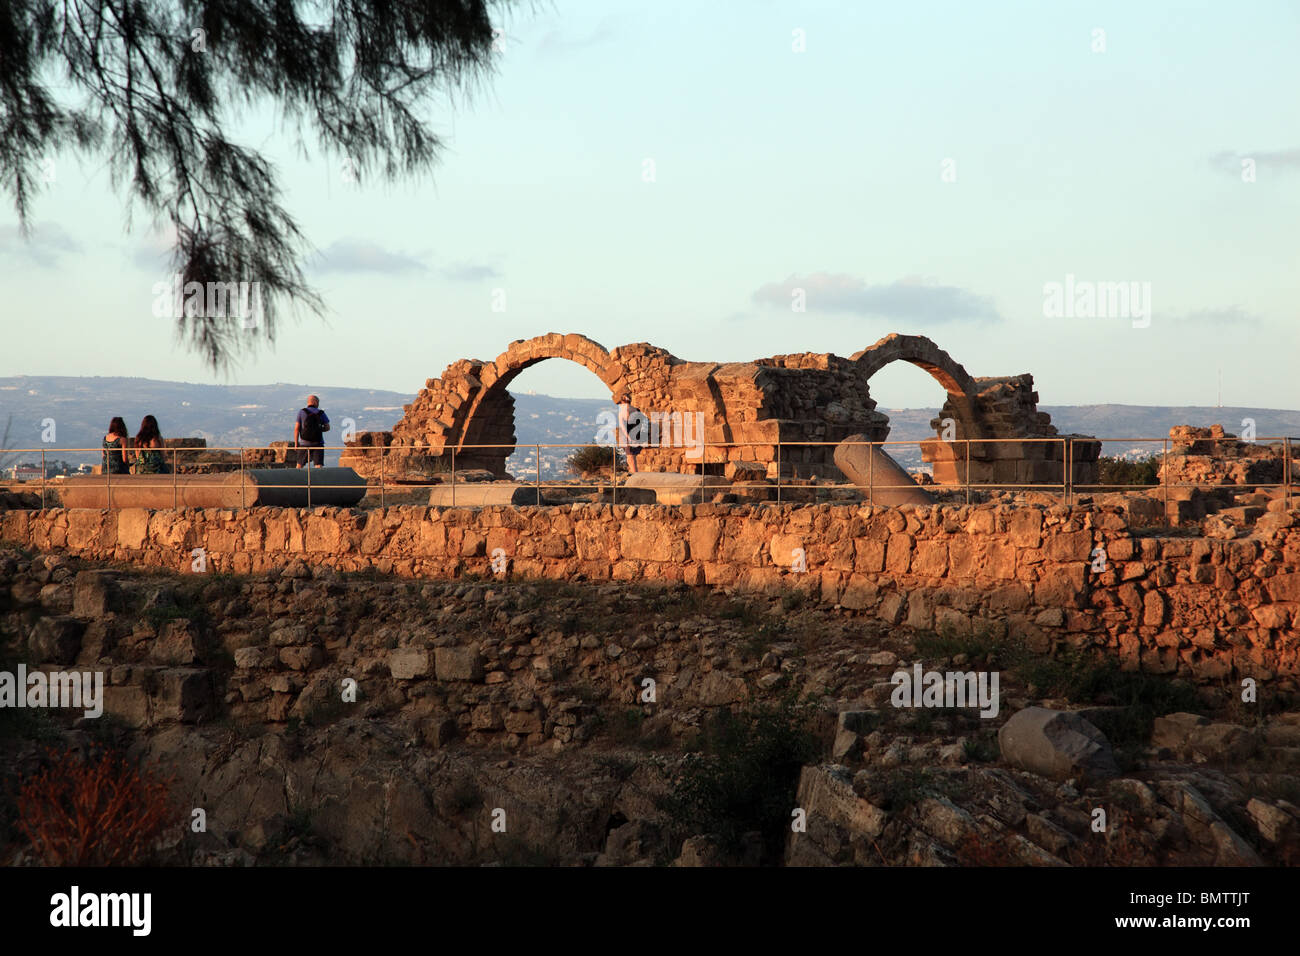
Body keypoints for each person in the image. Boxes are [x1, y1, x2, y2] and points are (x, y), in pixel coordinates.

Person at [294, 395, 330, 468]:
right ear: (315, 402)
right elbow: (327, 427)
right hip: (318, 443)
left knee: (299, 465)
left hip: (304, 443)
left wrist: (296, 443)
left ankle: (297, 479)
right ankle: (318, 479)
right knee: (318, 466)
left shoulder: (301, 412)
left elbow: (296, 429)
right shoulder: (321, 413)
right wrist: (318, 429)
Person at [616, 392, 643, 474]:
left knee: (630, 457)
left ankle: (635, 475)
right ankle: (635, 473)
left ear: (622, 401)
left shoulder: (622, 412)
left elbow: (623, 427)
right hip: (638, 435)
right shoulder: (636, 410)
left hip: (629, 436)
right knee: (633, 457)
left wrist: (628, 437)